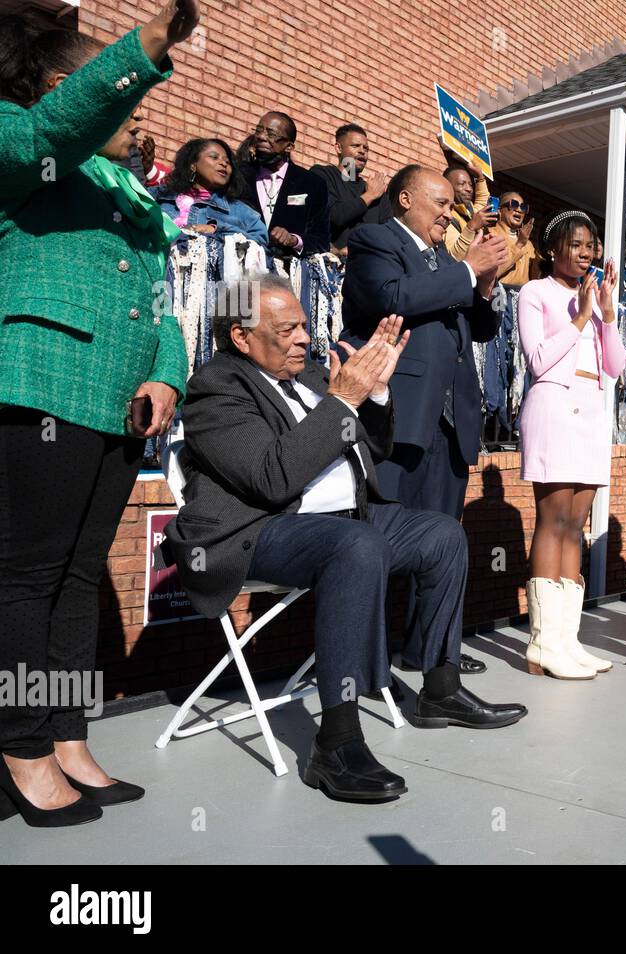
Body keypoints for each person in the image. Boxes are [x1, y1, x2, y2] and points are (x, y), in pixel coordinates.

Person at [166, 277, 526, 802]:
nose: (302, 340)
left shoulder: (312, 376)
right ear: (242, 338)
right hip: (261, 530)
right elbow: (270, 478)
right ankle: (335, 743)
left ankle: (440, 690)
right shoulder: (216, 387)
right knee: (355, 547)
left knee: (441, 533)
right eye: (286, 330)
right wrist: (342, 400)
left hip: (346, 519)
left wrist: (375, 392)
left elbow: (373, 447)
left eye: (305, 326)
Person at [0, 0, 198, 828]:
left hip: (121, 402)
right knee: (28, 573)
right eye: (124, 97)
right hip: (43, 380)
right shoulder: (18, 137)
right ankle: (20, 743)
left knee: (81, 575)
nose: (136, 121)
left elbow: (164, 302)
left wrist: (167, 378)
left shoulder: (131, 193)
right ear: (64, 83)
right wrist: (142, 49)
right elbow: (49, 135)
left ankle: (68, 731)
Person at [341, 164, 507, 674]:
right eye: (439, 204)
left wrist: (482, 285)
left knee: (440, 541)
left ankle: (434, 655)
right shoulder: (375, 240)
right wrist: (463, 271)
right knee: (380, 539)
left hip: (451, 421)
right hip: (399, 417)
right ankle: (364, 656)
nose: (447, 214)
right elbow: (392, 298)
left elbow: (478, 331)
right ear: (406, 199)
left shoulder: (443, 259)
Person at [517, 212, 626, 678]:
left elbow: (617, 366)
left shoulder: (598, 299)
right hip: (553, 408)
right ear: (553, 248)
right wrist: (580, 315)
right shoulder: (534, 293)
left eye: (591, 245)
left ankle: (568, 640)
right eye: (577, 244)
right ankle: (543, 644)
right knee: (554, 519)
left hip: (590, 412)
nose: (586, 253)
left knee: (576, 525)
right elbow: (539, 360)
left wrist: (604, 315)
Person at [238, 110, 330, 258]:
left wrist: (294, 240)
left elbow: (321, 241)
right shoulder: (239, 176)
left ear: (289, 147)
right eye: (258, 131)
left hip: (284, 276)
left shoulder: (312, 184)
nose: (261, 137)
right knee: (247, 284)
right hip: (243, 272)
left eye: (271, 134)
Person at [151, 137, 268, 247]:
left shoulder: (241, 211)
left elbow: (261, 244)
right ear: (193, 165)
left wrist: (216, 229)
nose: (224, 163)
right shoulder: (161, 196)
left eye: (228, 162)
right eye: (214, 157)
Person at [309, 122, 389, 254]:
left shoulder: (379, 193)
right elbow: (333, 216)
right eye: (355, 146)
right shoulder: (322, 175)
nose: (362, 151)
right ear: (338, 148)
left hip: (367, 267)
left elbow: (388, 235)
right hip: (329, 267)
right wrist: (369, 195)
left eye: (366, 148)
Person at [442, 164, 495, 261]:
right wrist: (471, 228)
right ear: (447, 186)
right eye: (462, 184)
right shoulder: (445, 217)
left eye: (470, 184)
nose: (469, 189)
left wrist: (480, 177)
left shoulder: (469, 211)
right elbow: (454, 256)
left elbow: (482, 200)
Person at [491, 192, 542, 285]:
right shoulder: (490, 234)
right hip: (498, 295)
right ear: (499, 210)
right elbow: (491, 274)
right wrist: (519, 245)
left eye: (523, 207)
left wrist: (540, 254)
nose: (519, 210)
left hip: (523, 297)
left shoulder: (528, 244)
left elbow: (535, 280)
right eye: (514, 204)